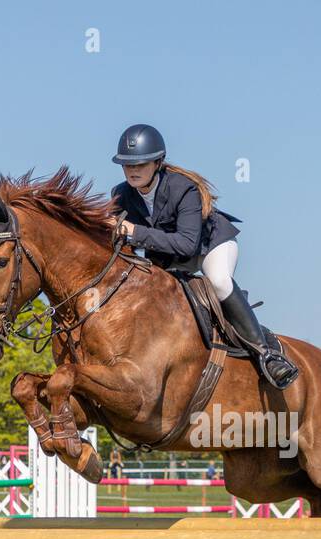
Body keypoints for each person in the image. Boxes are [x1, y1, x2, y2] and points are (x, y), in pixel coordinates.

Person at [109, 124, 299, 390]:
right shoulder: (121, 194)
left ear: (158, 162)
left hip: (209, 246)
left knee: (219, 281)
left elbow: (187, 244)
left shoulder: (183, 188)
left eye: (140, 164)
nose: (133, 170)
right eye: (127, 165)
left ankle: (267, 353)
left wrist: (135, 232)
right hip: (167, 255)